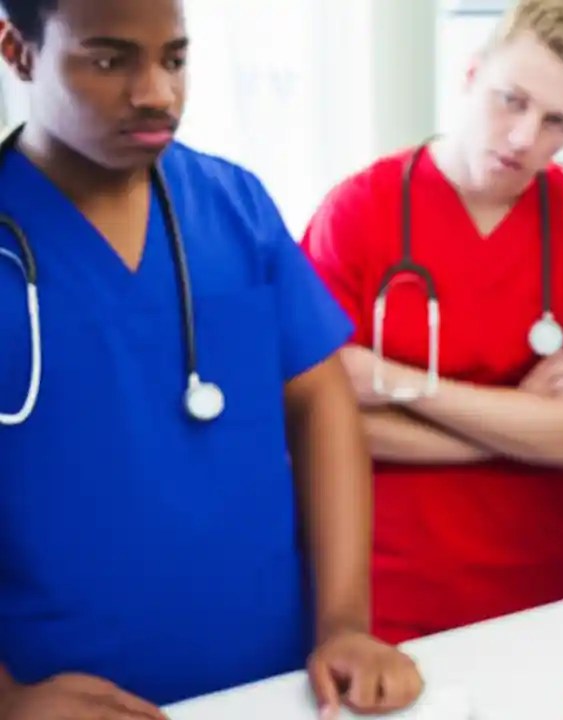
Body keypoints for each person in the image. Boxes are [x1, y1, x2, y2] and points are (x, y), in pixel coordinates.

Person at [0, 0, 422, 716]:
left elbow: (321, 402)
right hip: (65, 693)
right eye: (110, 60)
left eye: (174, 59)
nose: (157, 94)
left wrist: (346, 622)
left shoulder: (235, 206)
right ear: (19, 51)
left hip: (281, 684)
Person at [300, 0, 563, 645]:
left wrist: (400, 384)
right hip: (383, 587)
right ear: (471, 74)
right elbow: (320, 418)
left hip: (542, 587)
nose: (523, 138)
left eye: (557, 122)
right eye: (511, 100)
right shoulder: (357, 213)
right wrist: (515, 420)